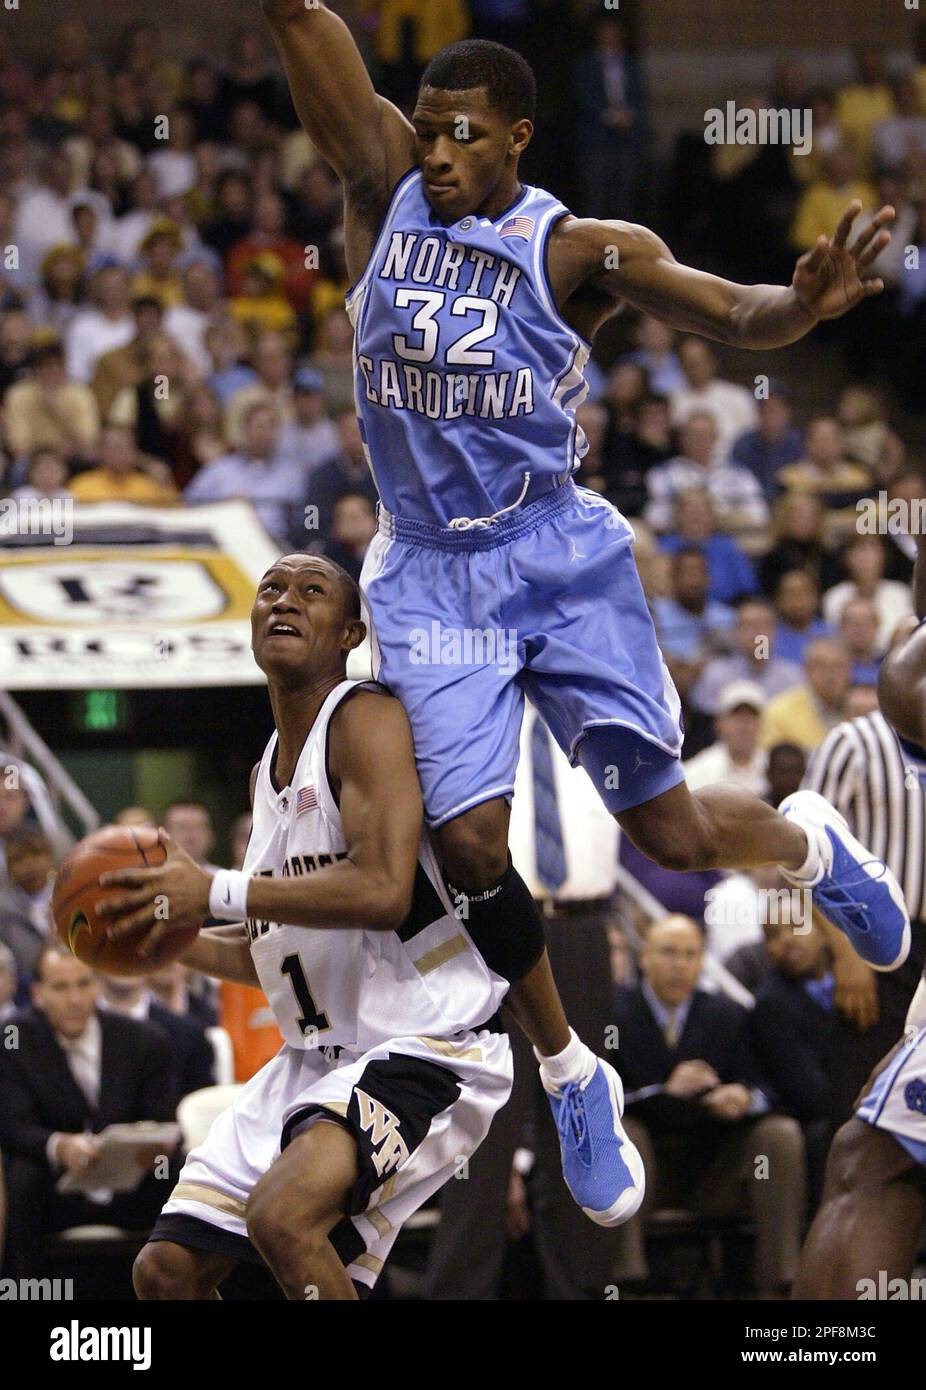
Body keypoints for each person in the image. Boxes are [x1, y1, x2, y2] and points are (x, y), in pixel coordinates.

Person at [260, 8, 910, 1228]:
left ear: (516, 137)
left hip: (552, 553)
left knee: (663, 829)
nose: (439, 154)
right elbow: (299, 19)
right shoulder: (381, 186)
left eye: (465, 136)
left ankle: (809, 846)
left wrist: (798, 310)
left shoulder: (576, 250)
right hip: (429, 572)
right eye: (429, 130)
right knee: (462, 854)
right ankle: (568, 1068)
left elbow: (728, 313)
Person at [101, 553, 516, 1300]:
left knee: (283, 1219)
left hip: (427, 1042)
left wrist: (215, 888)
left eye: (310, 591)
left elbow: (384, 890)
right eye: (271, 590)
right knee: (163, 1273)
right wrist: (163, 938)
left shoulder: (364, 719)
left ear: (351, 630)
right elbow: (277, 951)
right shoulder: (269, 771)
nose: (284, 600)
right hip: (321, 1057)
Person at [793, 535, 926, 1300]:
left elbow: (908, 672)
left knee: (867, 1160)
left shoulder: (906, 683)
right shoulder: (854, 741)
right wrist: (846, 950)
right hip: (887, 945)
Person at [614, 915, 807, 1297]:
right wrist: (665, 1090)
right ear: (644, 957)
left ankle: (781, 1282)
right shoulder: (614, 1013)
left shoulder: (727, 1014)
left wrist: (744, 1097)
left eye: (690, 955)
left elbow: (765, 1086)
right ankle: (626, 1280)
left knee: (779, 1135)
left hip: (714, 1171)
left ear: (702, 962)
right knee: (627, 1132)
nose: (679, 964)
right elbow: (601, 1097)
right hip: (644, 1173)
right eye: (668, 952)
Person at [0, 945, 177, 1280]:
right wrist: (59, 1146)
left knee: (173, 1168)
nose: (75, 999)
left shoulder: (144, 1039)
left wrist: (154, 1145)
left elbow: (164, 1115)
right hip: (54, 1187)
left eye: (84, 984)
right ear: (38, 994)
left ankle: (175, 1284)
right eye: (61, 988)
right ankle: (25, 1288)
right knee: (22, 1176)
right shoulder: (14, 1041)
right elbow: (12, 1125)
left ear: (98, 985)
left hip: (133, 1180)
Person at [760, 637, 852, 752]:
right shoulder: (780, 712)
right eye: (822, 666)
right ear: (806, 670)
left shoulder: (861, 710)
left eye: (838, 666)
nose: (831, 674)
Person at [683, 680, 768, 798]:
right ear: (718, 723)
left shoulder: (775, 770)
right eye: (736, 716)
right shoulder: (694, 772)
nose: (744, 725)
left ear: (762, 723)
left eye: (751, 716)